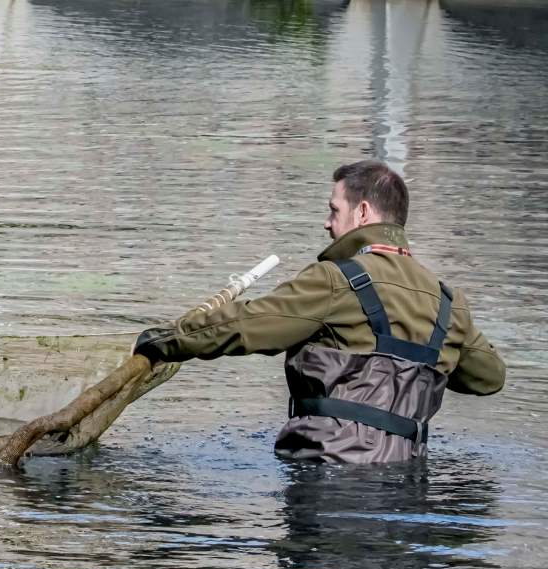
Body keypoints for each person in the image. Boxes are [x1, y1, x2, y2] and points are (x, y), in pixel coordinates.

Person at [134, 160, 506, 463]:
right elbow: (489, 377)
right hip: (405, 478)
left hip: (326, 470)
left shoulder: (334, 280)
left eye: (333, 210)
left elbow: (247, 325)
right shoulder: (448, 302)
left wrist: (166, 339)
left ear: (363, 212)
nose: (327, 223)